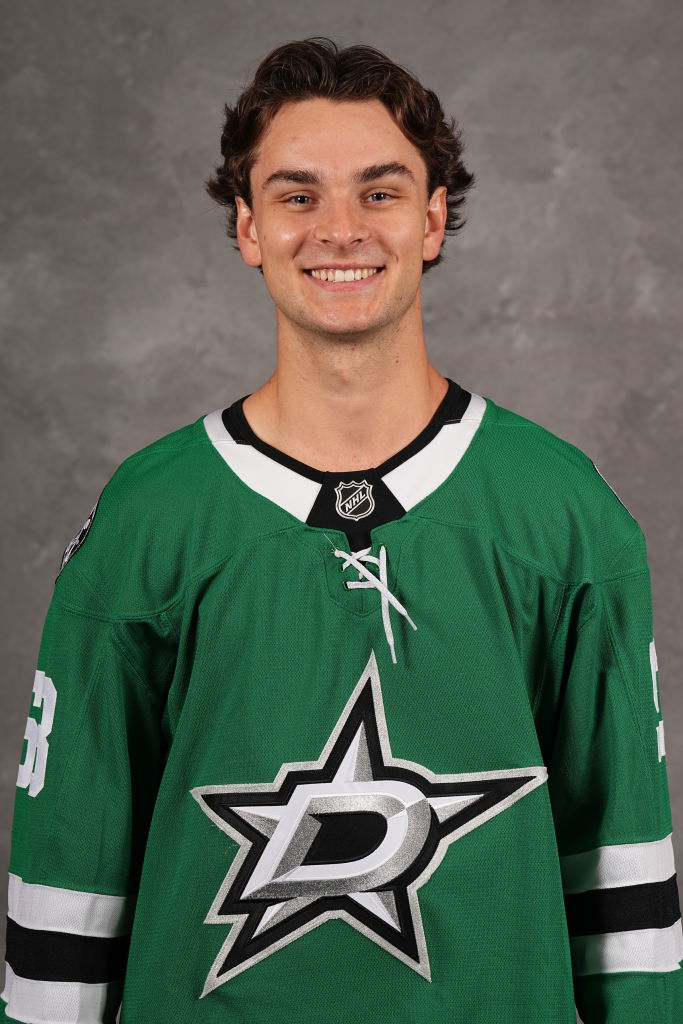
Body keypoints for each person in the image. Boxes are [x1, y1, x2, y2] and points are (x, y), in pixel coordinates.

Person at [2, 37, 681, 1024]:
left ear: (433, 217)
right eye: (295, 194)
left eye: (378, 191)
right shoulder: (149, 519)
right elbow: (69, 876)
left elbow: (621, 872)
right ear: (245, 226)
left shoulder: (562, 512)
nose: (338, 229)